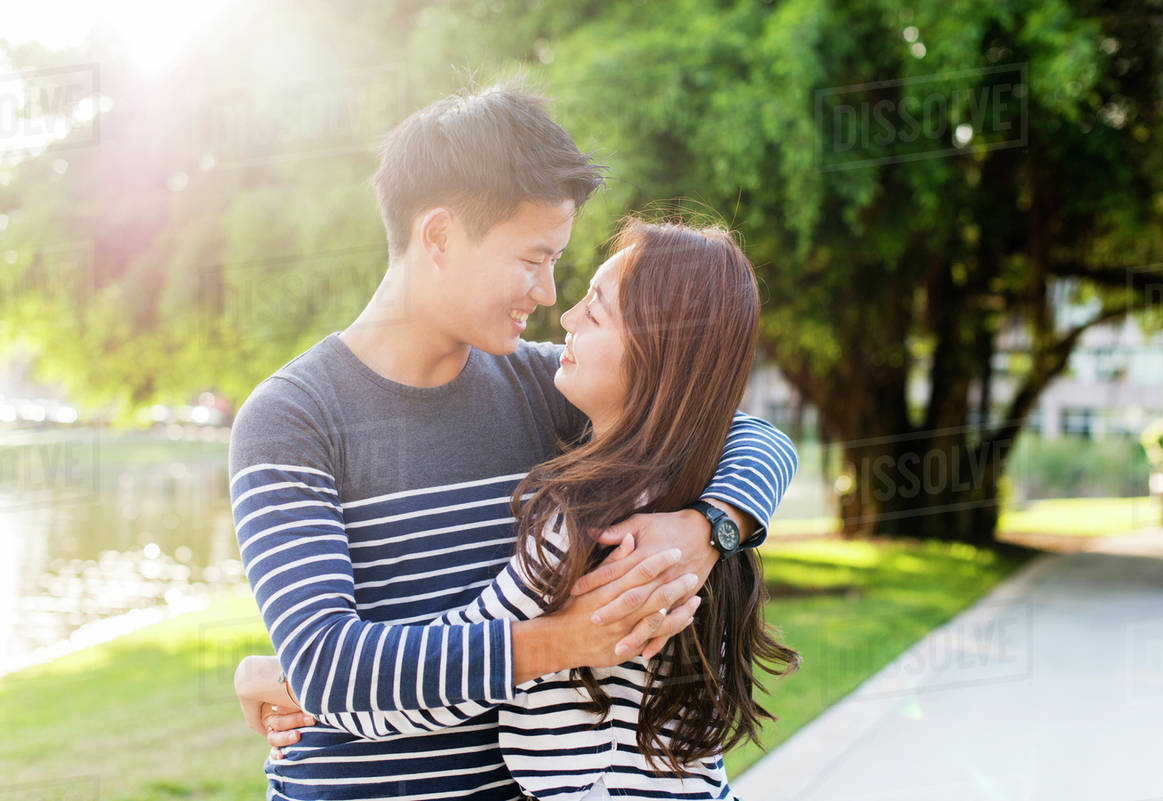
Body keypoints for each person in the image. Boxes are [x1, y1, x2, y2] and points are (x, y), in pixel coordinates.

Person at [229, 83, 798, 801]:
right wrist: (566, 640)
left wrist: (709, 527)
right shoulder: (293, 417)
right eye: (533, 259)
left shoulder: (541, 386)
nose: (550, 293)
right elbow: (329, 669)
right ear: (438, 236)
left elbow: (731, 428)